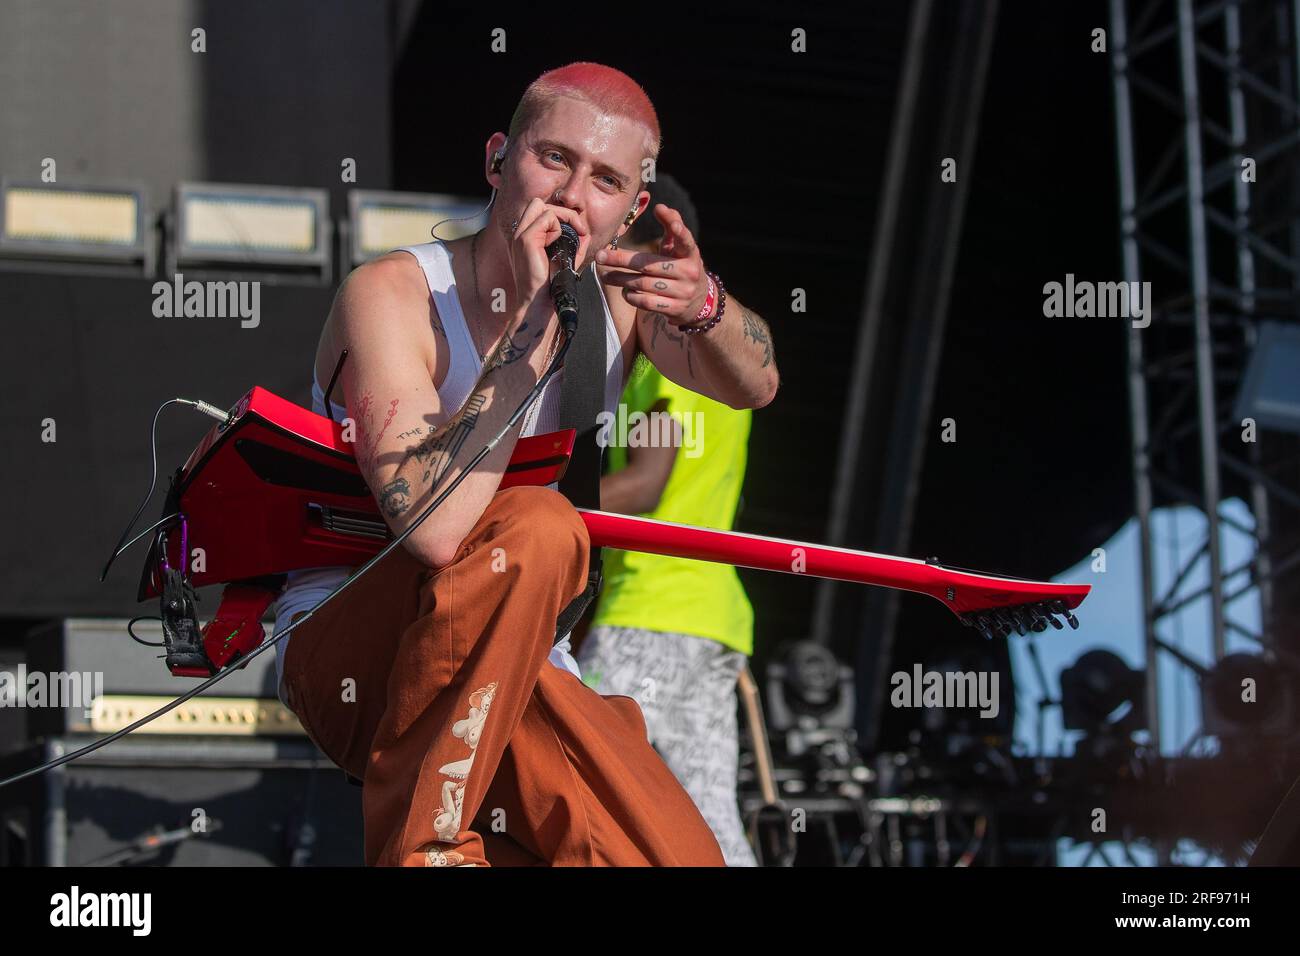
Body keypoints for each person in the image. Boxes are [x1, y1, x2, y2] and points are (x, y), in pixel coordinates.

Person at [272, 62, 780, 866]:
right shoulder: (395, 294)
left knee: (678, 854)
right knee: (542, 524)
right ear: (497, 161)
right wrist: (532, 333)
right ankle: (424, 850)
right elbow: (436, 532)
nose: (573, 195)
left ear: (632, 211)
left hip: (521, 667)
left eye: (607, 179)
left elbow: (756, 382)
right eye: (554, 160)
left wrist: (705, 306)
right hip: (362, 638)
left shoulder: (617, 300)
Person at [579, 174, 761, 867]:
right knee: (710, 822)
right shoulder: (708, 348)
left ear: (656, 247)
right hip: (711, 618)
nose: (597, 260)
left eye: (612, 243)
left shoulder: (667, 351)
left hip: (653, 612)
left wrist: (527, 501)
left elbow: (647, 484)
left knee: (569, 776)